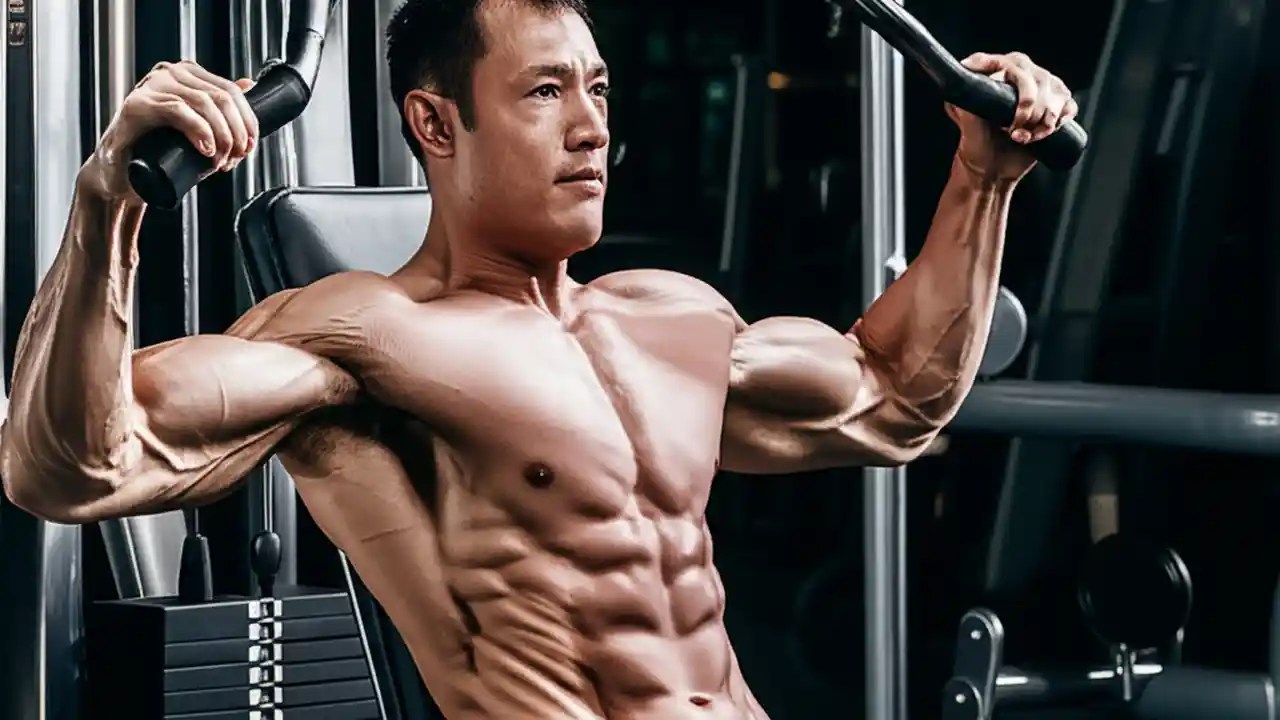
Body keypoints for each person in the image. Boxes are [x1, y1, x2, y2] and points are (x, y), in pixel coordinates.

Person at [0, 0, 1077, 717]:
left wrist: (982, 179)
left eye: (598, 90)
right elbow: (72, 468)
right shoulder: (358, 336)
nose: (592, 127)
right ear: (434, 121)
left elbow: (895, 403)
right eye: (545, 91)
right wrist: (108, 204)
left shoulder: (673, 317)